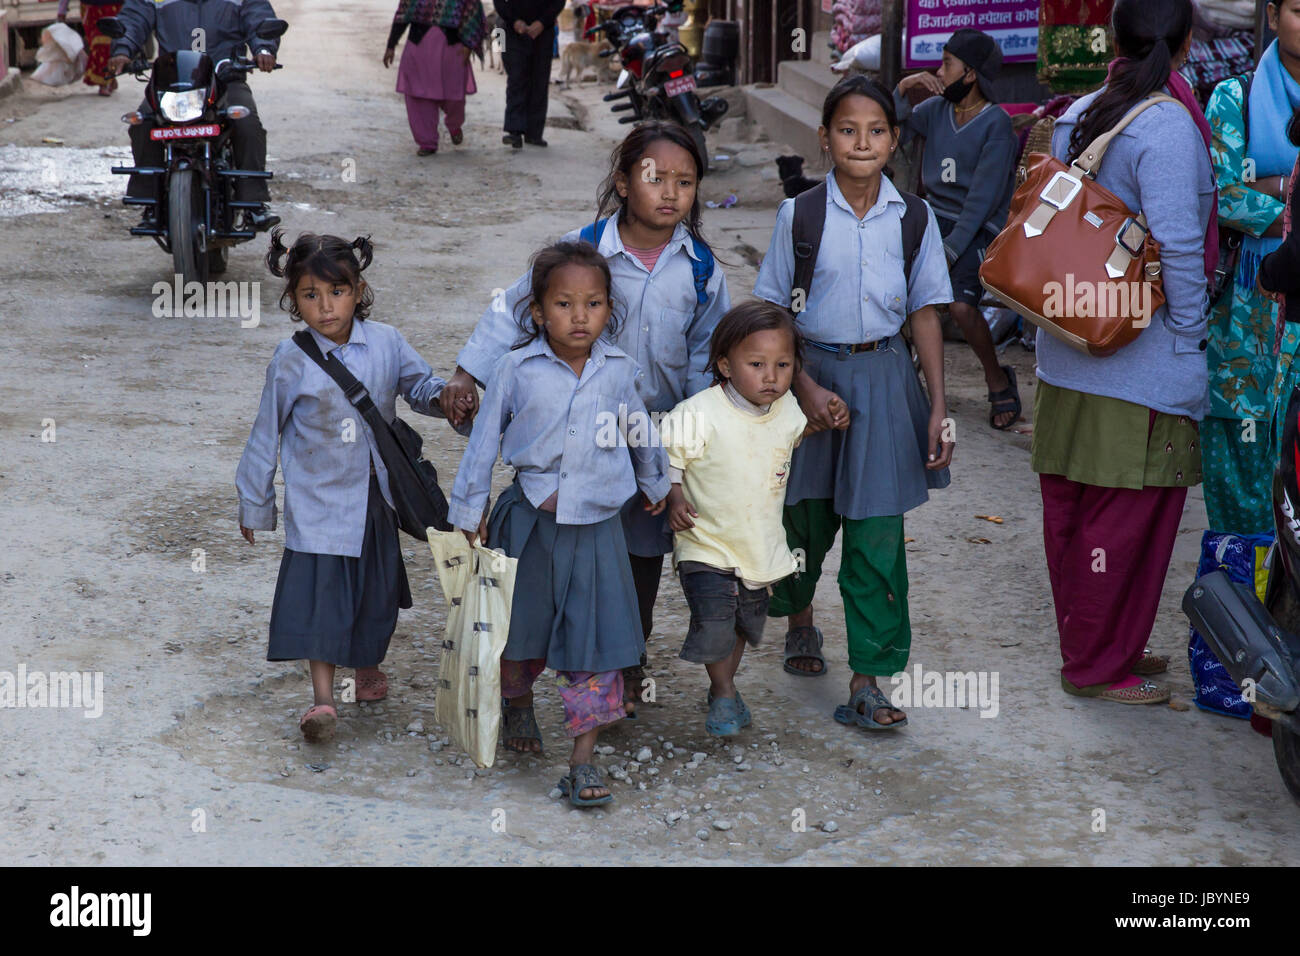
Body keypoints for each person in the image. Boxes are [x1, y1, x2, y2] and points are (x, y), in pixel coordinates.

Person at [440, 120, 729, 720]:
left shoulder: (701, 270)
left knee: (641, 554)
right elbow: (513, 310)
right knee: (561, 553)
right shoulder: (584, 248)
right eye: (656, 178)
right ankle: (532, 671)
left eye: (686, 181)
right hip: (574, 437)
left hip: (652, 432)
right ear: (623, 184)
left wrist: (686, 449)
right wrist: (470, 372)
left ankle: (624, 659)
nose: (671, 192)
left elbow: (706, 360)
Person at [753, 75, 954, 730]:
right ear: (825, 138)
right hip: (809, 374)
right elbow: (772, 313)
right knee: (801, 521)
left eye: (875, 130)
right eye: (847, 129)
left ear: (894, 140)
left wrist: (935, 405)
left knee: (876, 535)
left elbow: (924, 314)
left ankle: (870, 677)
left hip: (886, 377)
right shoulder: (801, 215)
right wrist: (802, 386)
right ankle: (799, 617)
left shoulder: (914, 217)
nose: (861, 142)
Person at [1033, 0, 1213, 705]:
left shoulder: (1082, 110)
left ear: (1115, 39)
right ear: (1189, 44)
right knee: (1127, 514)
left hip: (1071, 339)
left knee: (1076, 510)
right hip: (1137, 356)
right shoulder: (1166, 126)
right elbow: (1177, 250)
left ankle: (1097, 644)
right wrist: (1191, 335)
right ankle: (1097, 666)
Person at [447, 241, 670, 807]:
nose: (579, 316)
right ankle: (519, 705)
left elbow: (639, 430)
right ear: (538, 312)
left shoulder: (619, 370)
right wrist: (467, 512)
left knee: (594, 642)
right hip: (530, 527)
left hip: (598, 531)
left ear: (607, 310)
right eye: (564, 304)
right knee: (518, 634)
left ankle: (583, 760)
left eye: (593, 304)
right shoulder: (515, 369)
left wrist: (659, 485)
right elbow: (484, 442)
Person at [236, 231, 457, 743]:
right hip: (317, 504)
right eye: (310, 295)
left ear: (358, 290)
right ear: (294, 300)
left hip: (374, 498)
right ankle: (322, 700)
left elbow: (418, 388)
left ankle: (368, 665)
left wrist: (448, 398)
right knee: (322, 602)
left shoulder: (386, 342)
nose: (325, 306)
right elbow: (264, 432)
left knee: (374, 596)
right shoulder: (290, 361)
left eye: (336, 292)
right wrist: (255, 502)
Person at [662, 301, 808, 736]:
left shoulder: (788, 411)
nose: (771, 376)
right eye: (757, 364)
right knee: (714, 619)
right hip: (705, 542)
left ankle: (724, 688)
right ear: (725, 365)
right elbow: (669, 459)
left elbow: (789, 442)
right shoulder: (698, 413)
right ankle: (724, 693)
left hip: (758, 545)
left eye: (783, 364)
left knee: (744, 623)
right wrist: (673, 498)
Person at [1205, 0, 1300, 535]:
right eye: (1298, 9)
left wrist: (1271, 186)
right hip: (1244, 317)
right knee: (1239, 485)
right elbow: (1224, 198)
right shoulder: (1233, 97)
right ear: (1271, 15)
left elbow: (1249, 198)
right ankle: (1235, 611)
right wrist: (1297, 198)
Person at [894, 28, 1020, 429]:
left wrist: (948, 250)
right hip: (932, 218)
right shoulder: (934, 110)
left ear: (970, 74)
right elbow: (889, 130)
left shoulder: (995, 125)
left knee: (963, 307)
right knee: (894, 288)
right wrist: (904, 87)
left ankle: (997, 376)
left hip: (978, 227)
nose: (938, 71)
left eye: (947, 64)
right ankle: (903, 374)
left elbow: (981, 202)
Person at [107, 0, 281, 232]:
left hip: (225, 79)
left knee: (247, 123)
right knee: (142, 123)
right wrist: (122, 50)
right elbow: (133, 19)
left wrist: (264, 48)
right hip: (172, 82)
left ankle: (252, 203)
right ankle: (151, 202)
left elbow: (259, 17)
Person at [383, 0, 486, 156]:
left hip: (452, 50)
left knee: (454, 97)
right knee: (418, 97)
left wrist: (469, 44)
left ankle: (454, 124)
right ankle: (427, 142)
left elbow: (474, 12)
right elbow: (402, 15)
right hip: (419, 49)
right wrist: (391, 45)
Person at [492, 0, 563, 148]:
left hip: (543, 32)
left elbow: (558, 2)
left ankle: (534, 133)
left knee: (539, 80)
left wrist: (542, 22)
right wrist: (515, 21)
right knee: (516, 78)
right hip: (513, 31)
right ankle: (514, 131)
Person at [58, 0, 123, 96]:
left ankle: (109, 77)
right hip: (92, 8)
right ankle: (105, 81)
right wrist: (62, 10)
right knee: (99, 44)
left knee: (111, 43)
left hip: (114, 5)